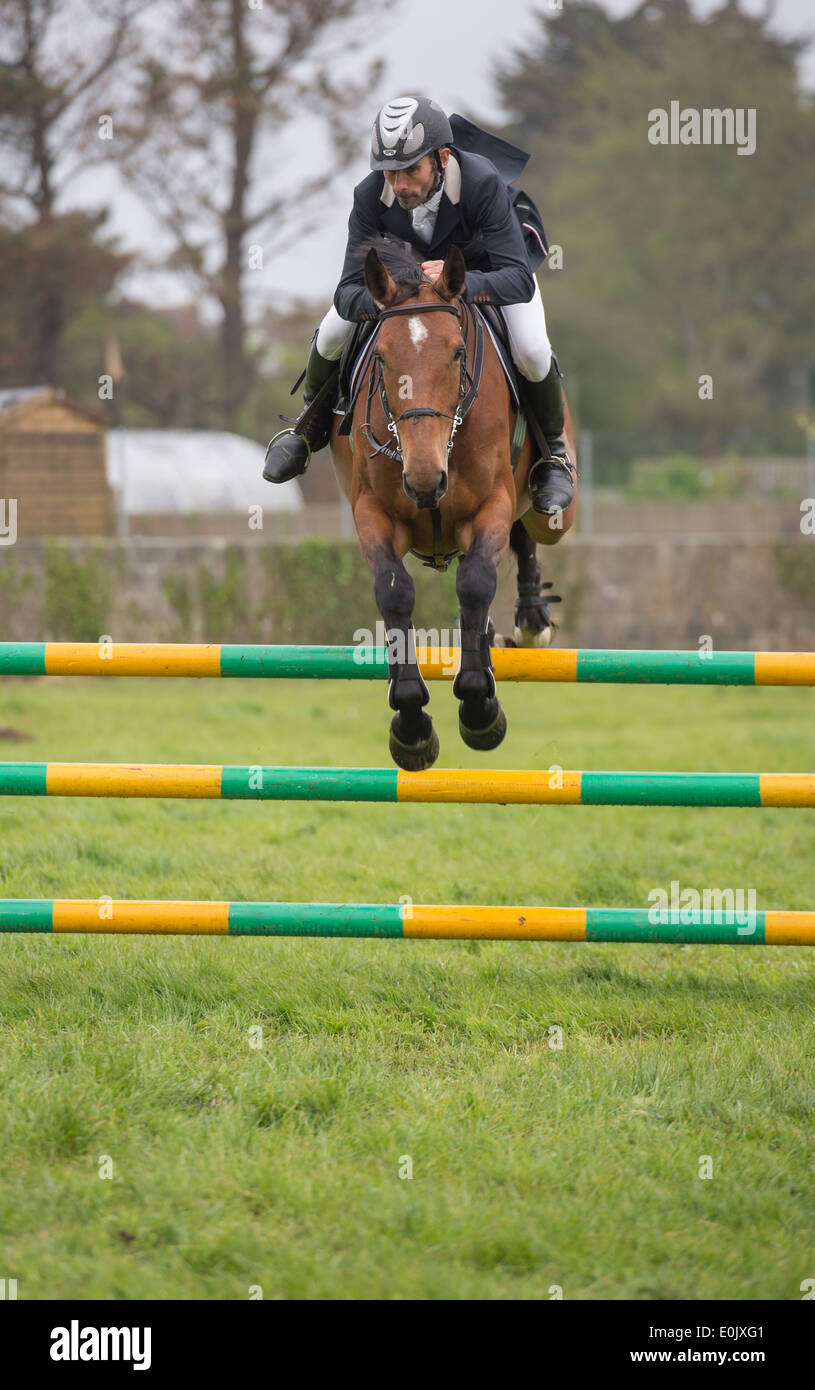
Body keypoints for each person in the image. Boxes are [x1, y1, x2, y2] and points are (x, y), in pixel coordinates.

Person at [263, 96, 575, 516]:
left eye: (411, 170)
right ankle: (307, 428)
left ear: (442, 158)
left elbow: (516, 278)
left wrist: (454, 283)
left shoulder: (479, 183)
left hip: (486, 275)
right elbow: (347, 291)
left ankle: (553, 458)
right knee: (335, 328)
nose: (401, 184)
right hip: (405, 291)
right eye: (392, 172)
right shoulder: (372, 195)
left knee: (533, 351)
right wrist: (391, 299)